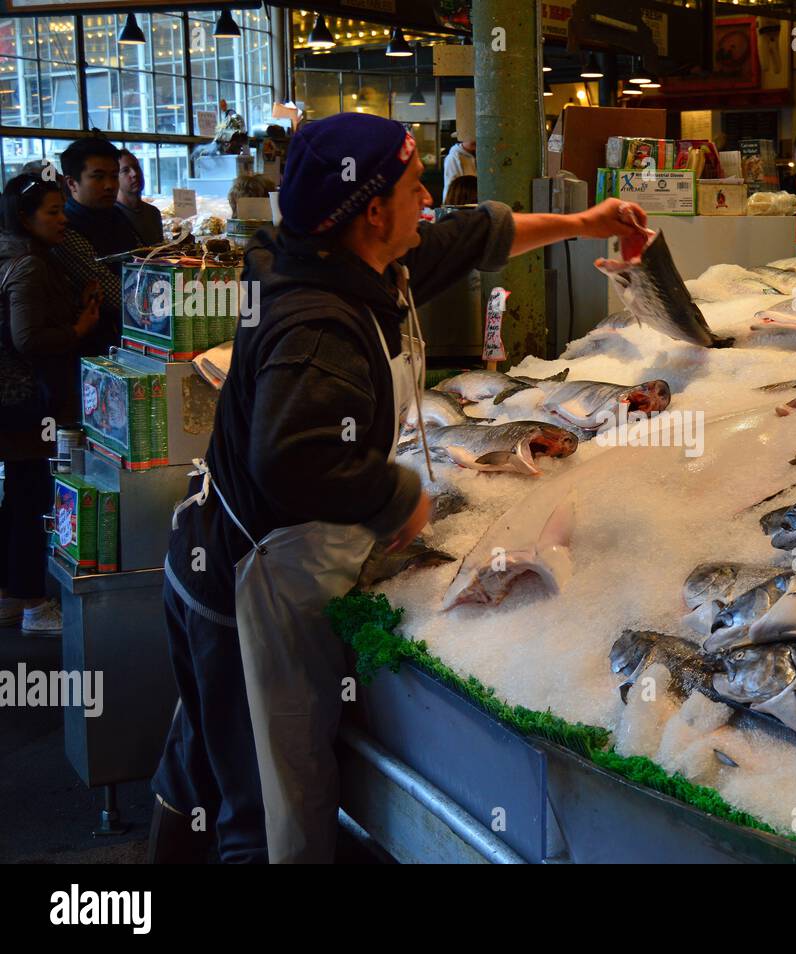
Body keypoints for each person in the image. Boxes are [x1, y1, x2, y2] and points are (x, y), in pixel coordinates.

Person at [149, 112, 648, 864]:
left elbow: (478, 236)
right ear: (372, 210)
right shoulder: (316, 326)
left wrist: (585, 221)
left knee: (206, 756)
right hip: (247, 581)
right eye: (418, 189)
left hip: (243, 556)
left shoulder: (364, 263)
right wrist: (396, 497)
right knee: (268, 808)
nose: (429, 203)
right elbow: (293, 456)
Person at [0, 175, 102, 635]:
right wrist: (78, 328)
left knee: (17, 498)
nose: (63, 221)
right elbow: (27, 337)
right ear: (25, 218)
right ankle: (35, 605)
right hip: (26, 401)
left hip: (11, 401)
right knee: (31, 497)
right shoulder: (29, 264)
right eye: (53, 212)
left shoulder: (15, 254)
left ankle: (11, 594)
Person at [53, 137, 139, 351]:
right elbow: (118, 296)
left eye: (113, 175)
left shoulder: (116, 216)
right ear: (72, 183)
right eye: (98, 177)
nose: (110, 185)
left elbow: (145, 262)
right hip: (93, 350)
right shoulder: (67, 230)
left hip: (128, 337)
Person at [116, 149, 164, 245]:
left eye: (136, 168)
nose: (134, 174)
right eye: (125, 170)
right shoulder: (111, 216)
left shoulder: (153, 213)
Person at [442, 132, 476, 202]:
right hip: (463, 202)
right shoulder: (453, 158)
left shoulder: (476, 155)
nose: (475, 141)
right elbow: (451, 187)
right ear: (463, 139)